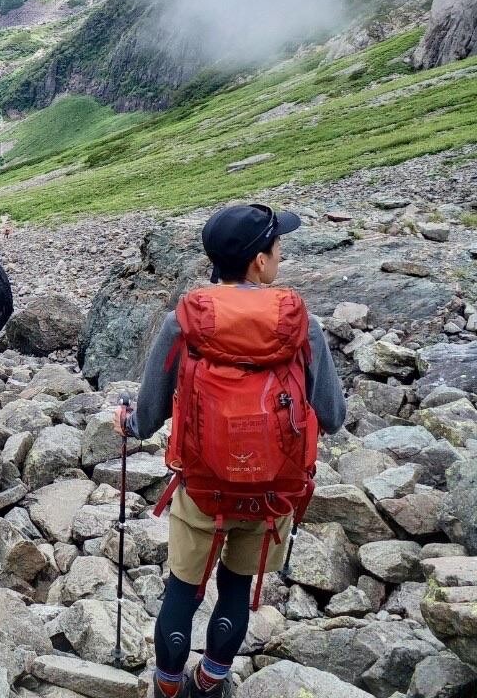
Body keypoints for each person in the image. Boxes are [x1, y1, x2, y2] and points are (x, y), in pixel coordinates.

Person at [113, 204, 346, 698]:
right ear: (259, 261)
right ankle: (210, 682)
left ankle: (168, 689)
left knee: (183, 589)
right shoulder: (300, 323)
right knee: (236, 588)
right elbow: (332, 415)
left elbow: (149, 415)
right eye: (277, 247)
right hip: (274, 490)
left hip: (203, 486)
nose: (280, 254)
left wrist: (128, 422)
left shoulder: (185, 321)